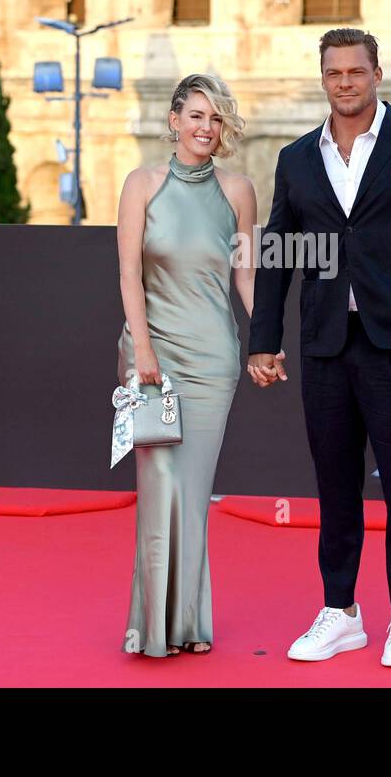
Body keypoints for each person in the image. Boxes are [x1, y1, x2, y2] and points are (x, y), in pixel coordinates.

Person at [247, 28, 391, 667]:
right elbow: (278, 255)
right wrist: (264, 339)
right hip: (324, 348)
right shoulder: (296, 158)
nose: (344, 82)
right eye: (333, 73)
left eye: (355, 71)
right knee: (335, 486)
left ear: (377, 74)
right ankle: (340, 611)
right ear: (322, 79)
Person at [116, 73, 257, 657]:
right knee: (160, 485)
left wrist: (264, 341)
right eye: (195, 115)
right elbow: (128, 274)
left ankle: (189, 624)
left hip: (212, 358)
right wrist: (143, 349)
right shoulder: (141, 184)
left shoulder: (239, 191)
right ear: (174, 120)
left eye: (215, 118)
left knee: (193, 492)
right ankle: (153, 628)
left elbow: (244, 275)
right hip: (152, 352)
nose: (205, 127)